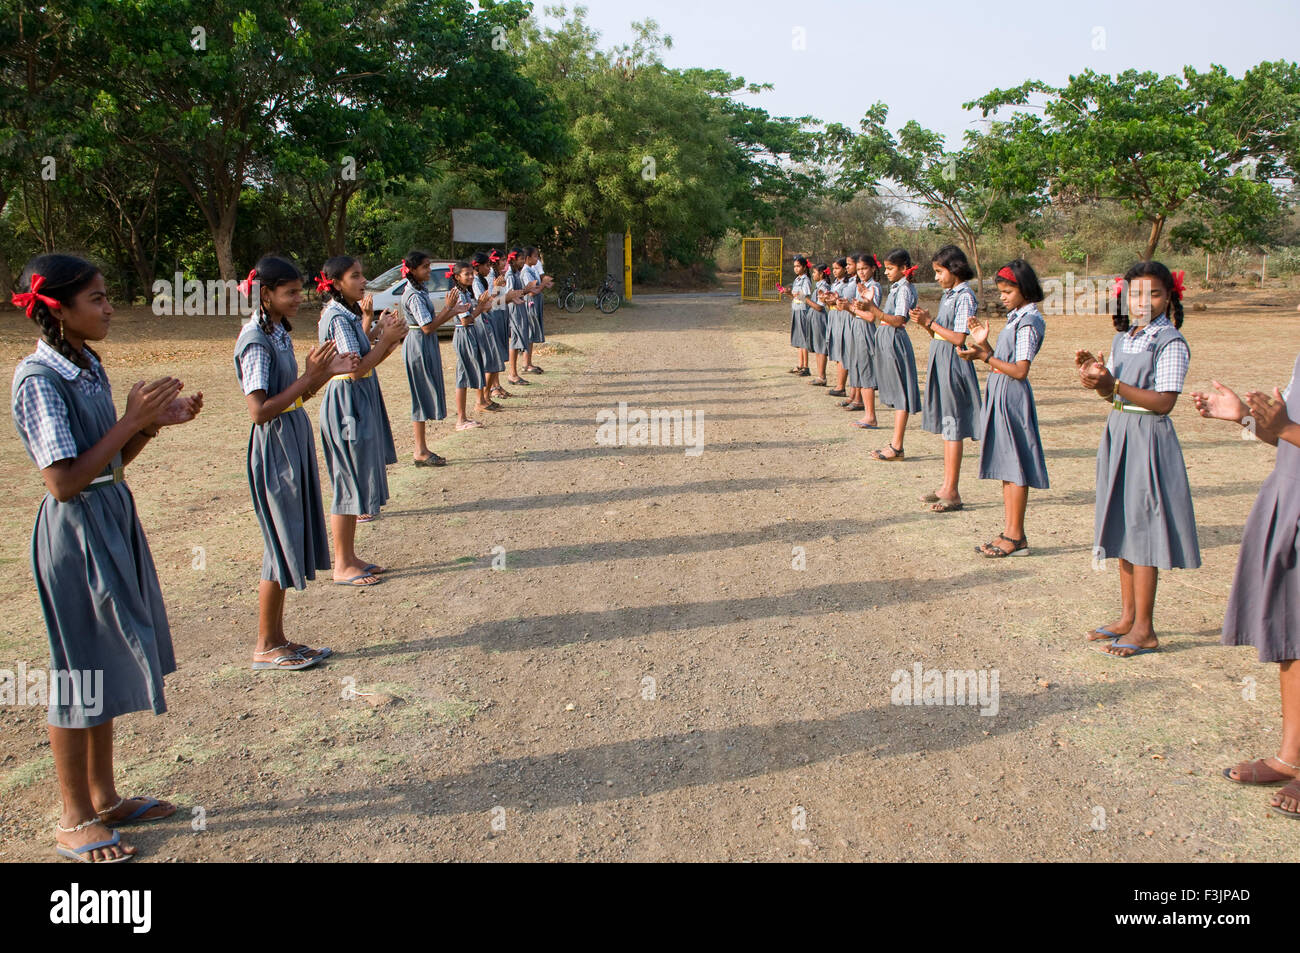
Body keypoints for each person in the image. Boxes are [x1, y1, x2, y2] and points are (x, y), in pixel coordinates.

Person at [11, 253, 203, 862]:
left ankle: (106, 797)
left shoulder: (85, 363)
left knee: (105, 654)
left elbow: (106, 466)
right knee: (77, 669)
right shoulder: (38, 379)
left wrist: (150, 427)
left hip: (109, 515)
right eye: (95, 298)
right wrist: (131, 419)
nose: (109, 306)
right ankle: (73, 818)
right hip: (74, 533)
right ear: (58, 310)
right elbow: (64, 482)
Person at [235, 256, 355, 669]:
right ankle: (266, 644)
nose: (298, 299)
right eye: (289, 293)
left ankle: (279, 639)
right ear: (265, 294)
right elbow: (260, 410)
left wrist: (323, 373)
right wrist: (309, 378)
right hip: (275, 446)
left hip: (292, 438)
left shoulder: (278, 333)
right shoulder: (254, 340)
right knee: (278, 540)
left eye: (299, 291)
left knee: (289, 537)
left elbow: (296, 395)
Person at [1193, 361, 1300, 819]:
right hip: (1290, 495)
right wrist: (1245, 418)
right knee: (1292, 639)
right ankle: (1291, 755)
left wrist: (1289, 426)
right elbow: (1288, 443)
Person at [1076, 262, 1199, 655]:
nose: (1144, 302)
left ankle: (1145, 629)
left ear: (1170, 298)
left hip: (1148, 438)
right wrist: (1096, 380)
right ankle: (1127, 618)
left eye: (1155, 294)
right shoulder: (1124, 338)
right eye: (1136, 294)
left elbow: (1164, 402)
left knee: (1143, 530)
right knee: (1123, 524)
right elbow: (1114, 396)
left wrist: (1115, 384)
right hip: (1120, 431)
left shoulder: (1171, 342)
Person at [316, 256, 404, 582]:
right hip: (346, 401)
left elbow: (365, 352)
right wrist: (387, 340)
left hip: (357, 398)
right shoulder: (337, 317)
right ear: (337, 283)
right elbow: (356, 370)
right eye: (355, 276)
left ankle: (350, 556)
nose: (363, 281)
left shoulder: (347, 314)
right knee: (346, 479)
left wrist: (384, 335)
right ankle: (341, 564)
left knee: (353, 476)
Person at [962, 260, 1049, 555]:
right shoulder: (1016, 317)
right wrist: (984, 346)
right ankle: (1010, 531)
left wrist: (983, 357)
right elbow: (1004, 361)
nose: (1003, 296)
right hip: (1001, 391)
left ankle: (1016, 535)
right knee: (1006, 466)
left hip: (1012, 395)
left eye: (1008, 291)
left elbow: (1019, 370)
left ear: (1024, 289)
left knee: (1016, 465)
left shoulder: (1029, 321)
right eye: (1001, 291)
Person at [911, 245, 982, 511]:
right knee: (947, 425)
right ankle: (946, 485)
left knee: (953, 426)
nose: (938, 278)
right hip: (941, 362)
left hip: (954, 365)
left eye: (940, 272)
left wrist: (930, 323)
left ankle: (952, 491)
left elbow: (960, 338)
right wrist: (925, 325)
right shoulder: (949, 295)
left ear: (954, 269)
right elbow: (941, 334)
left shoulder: (965, 297)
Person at [852, 249, 920, 458]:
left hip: (894, 339)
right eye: (887, 268)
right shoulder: (896, 288)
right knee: (895, 391)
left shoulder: (905, 290)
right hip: (886, 338)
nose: (887, 272)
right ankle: (895, 443)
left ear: (903, 269)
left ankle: (897, 446)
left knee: (901, 393)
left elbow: (899, 320)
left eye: (891, 268)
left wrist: (872, 308)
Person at [399, 250, 449, 467]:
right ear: (412, 270)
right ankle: (419, 450)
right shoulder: (413, 295)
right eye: (425, 267)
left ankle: (422, 448)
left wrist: (451, 310)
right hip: (418, 344)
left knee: (425, 390)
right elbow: (427, 326)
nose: (429, 271)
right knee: (419, 393)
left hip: (424, 343)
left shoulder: (420, 290)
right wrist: (449, 310)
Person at [780, 256, 813, 377]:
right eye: (794, 266)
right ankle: (800, 364)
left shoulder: (806, 280)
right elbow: (794, 297)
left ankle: (806, 366)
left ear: (804, 267)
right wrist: (788, 293)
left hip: (803, 310)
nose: (796, 268)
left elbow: (805, 297)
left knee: (803, 338)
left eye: (798, 266)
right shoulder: (797, 280)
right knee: (798, 338)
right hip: (796, 309)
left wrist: (795, 294)